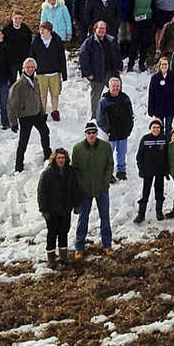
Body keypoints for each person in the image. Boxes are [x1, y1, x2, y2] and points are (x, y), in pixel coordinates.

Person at [73, 121, 115, 258]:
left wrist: (106, 180)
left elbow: (110, 164)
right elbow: (75, 169)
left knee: (105, 217)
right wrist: (80, 184)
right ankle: (79, 247)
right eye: (88, 133)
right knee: (83, 218)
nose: (91, 135)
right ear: (85, 134)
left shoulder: (105, 147)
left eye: (93, 132)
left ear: (97, 133)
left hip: (101, 188)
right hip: (85, 190)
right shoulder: (78, 148)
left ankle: (107, 245)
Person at [8, 58, 51, 173]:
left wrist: (42, 112)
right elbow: (12, 105)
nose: (30, 69)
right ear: (23, 68)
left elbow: (38, 98)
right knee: (23, 142)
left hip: (36, 114)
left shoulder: (36, 81)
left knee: (45, 132)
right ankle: (18, 166)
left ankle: (48, 155)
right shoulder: (18, 85)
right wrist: (13, 122)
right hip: (25, 117)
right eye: (28, 67)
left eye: (32, 67)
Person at [37, 147, 77, 264]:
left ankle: (63, 256)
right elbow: (41, 192)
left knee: (64, 232)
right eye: (59, 158)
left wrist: (76, 204)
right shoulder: (47, 174)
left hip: (65, 209)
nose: (61, 160)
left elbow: (74, 189)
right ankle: (51, 258)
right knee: (52, 234)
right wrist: (43, 210)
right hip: (52, 210)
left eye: (63, 158)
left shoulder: (70, 172)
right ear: (54, 159)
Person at [79, 20, 122, 118]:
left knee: (117, 92)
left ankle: (117, 113)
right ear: (95, 29)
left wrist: (119, 67)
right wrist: (88, 73)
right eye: (100, 28)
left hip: (111, 72)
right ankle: (95, 117)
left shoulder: (111, 40)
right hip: (97, 73)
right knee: (96, 97)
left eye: (104, 28)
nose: (102, 30)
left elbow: (117, 54)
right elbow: (83, 58)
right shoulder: (89, 42)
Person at [96, 76, 134, 180]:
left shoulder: (125, 98)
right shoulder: (103, 101)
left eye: (117, 86)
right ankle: (108, 173)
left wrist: (129, 128)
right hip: (111, 134)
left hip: (123, 133)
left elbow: (130, 115)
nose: (116, 88)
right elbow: (100, 119)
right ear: (109, 86)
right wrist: (108, 130)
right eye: (113, 86)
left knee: (122, 154)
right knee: (108, 155)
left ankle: (121, 171)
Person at [30, 20, 68, 123]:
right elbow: (32, 56)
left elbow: (62, 57)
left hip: (54, 72)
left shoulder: (56, 40)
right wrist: (31, 71)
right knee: (42, 95)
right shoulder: (36, 41)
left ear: (49, 31)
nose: (41, 31)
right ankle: (43, 113)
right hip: (41, 73)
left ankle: (55, 112)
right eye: (41, 29)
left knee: (55, 94)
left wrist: (64, 73)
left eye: (44, 29)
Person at [135, 119, 169, 223]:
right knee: (145, 192)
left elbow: (167, 155)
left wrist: (166, 170)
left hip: (160, 171)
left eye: (158, 127)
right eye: (154, 127)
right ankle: (141, 214)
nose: (156, 129)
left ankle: (159, 212)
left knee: (159, 192)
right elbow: (139, 156)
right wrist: (141, 169)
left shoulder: (164, 139)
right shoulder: (145, 139)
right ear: (150, 128)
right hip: (147, 171)